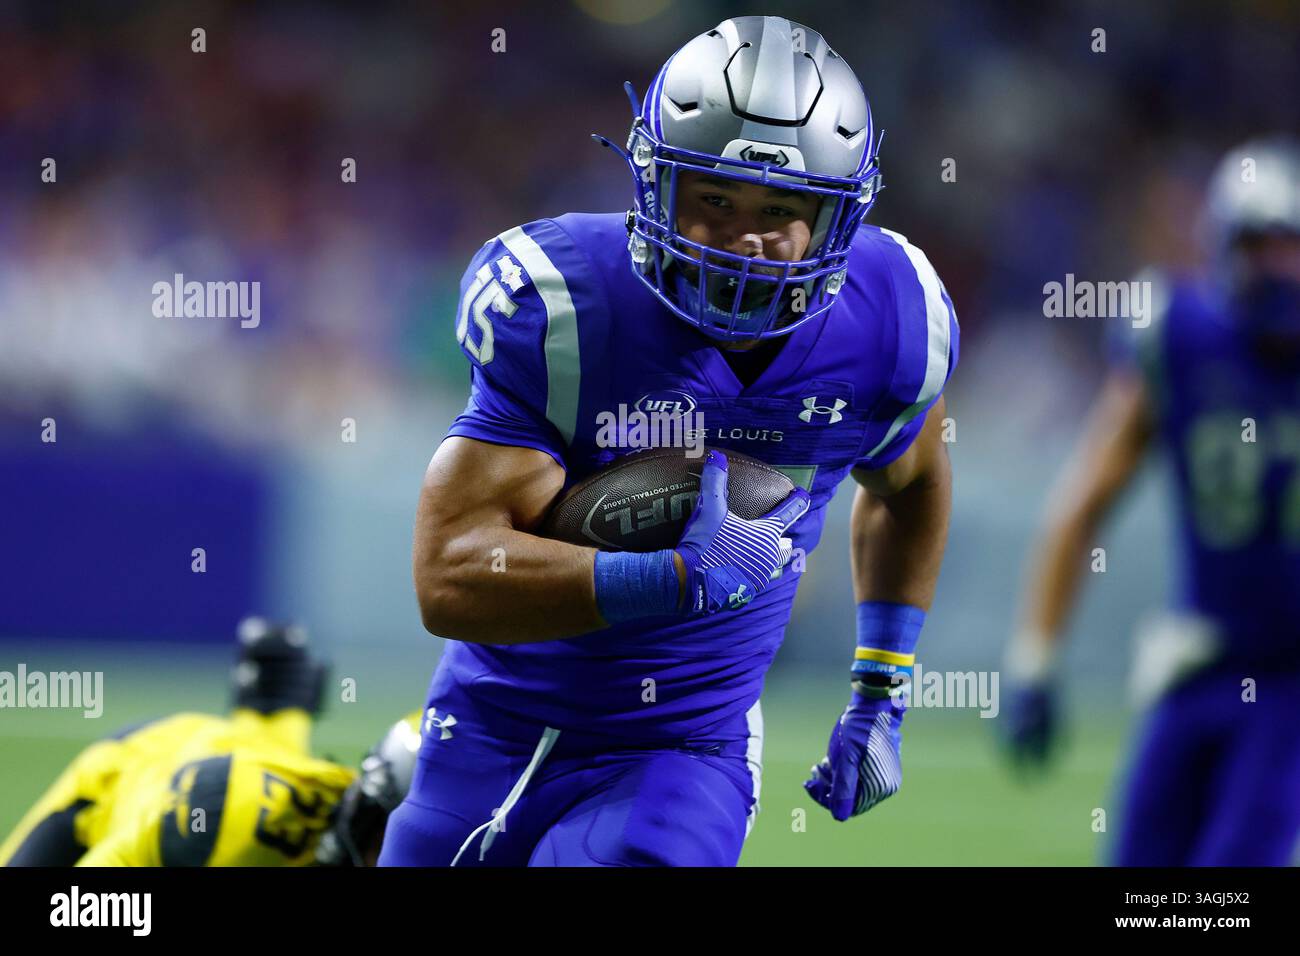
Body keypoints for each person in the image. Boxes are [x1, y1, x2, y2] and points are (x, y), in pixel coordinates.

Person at [384, 15, 958, 866]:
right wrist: (670, 578)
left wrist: (881, 688)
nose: (747, 240)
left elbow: (911, 482)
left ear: (838, 218)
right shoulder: (569, 307)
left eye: (783, 209)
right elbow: (450, 574)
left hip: (684, 745)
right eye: (715, 201)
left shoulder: (891, 321)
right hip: (493, 716)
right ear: (654, 187)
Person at [1002, 139, 1300, 865]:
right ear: (1221, 249)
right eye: (1258, 246)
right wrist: (1035, 659)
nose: (1277, 269)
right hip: (1201, 661)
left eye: (1290, 247)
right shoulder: (1181, 335)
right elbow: (1082, 504)